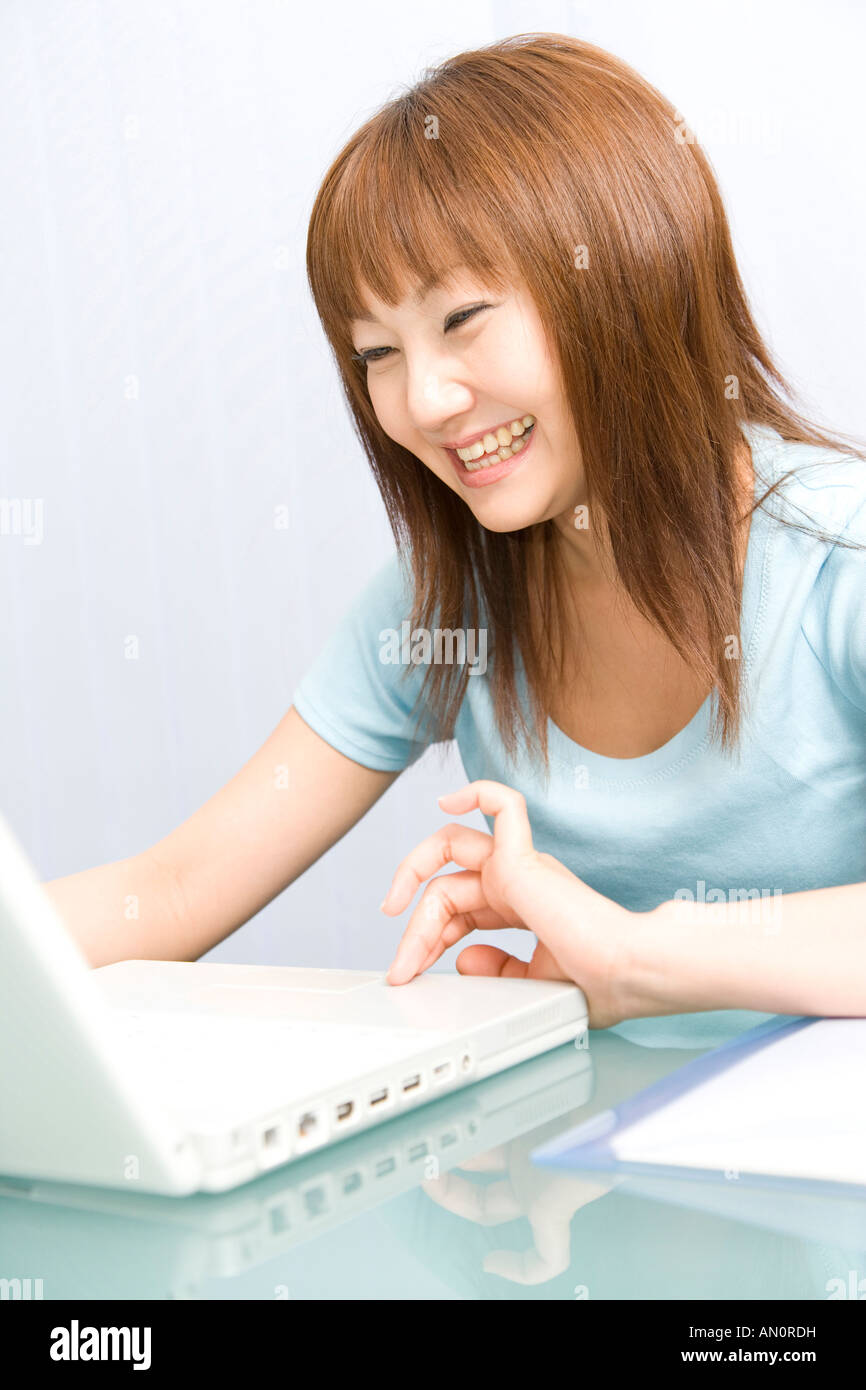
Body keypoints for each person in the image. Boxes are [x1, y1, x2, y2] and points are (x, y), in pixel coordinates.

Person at [45, 33, 866, 1047]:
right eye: (377, 352)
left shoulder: (840, 559)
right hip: (596, 1180)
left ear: (625, 277)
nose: (422, 400)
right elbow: (170, 888)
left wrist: (625, 957)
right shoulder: (442, 610)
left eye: (462, 318)